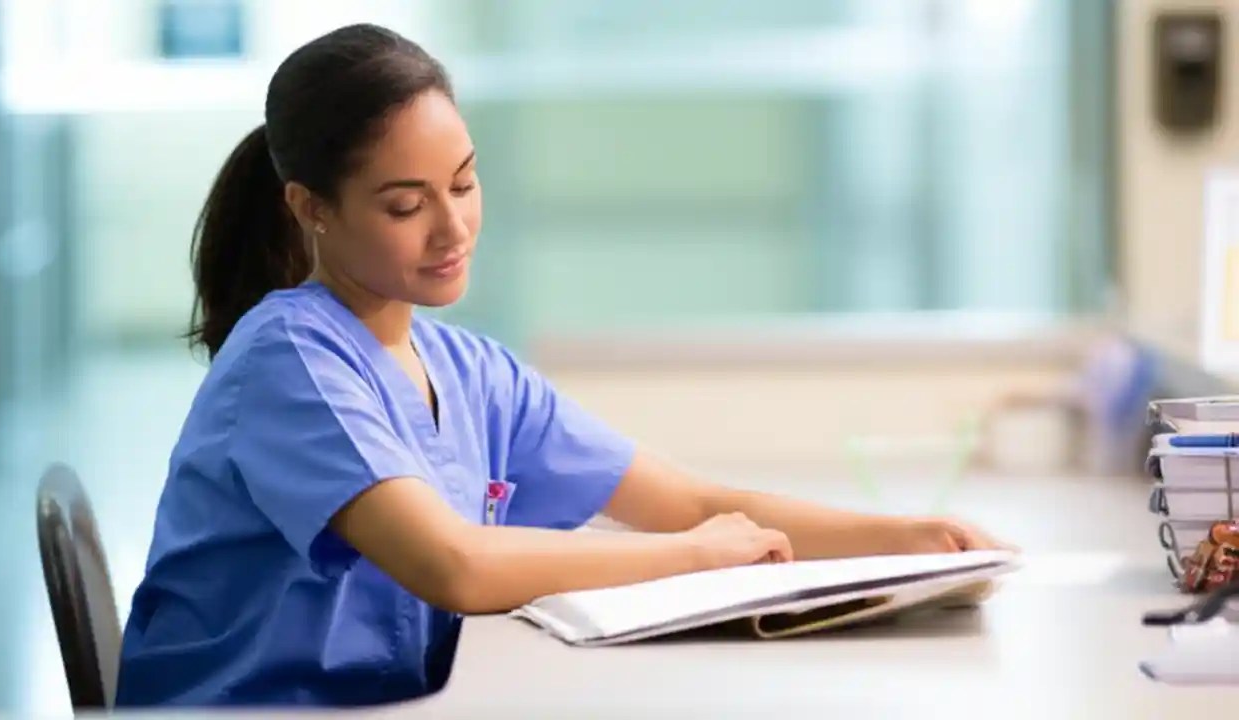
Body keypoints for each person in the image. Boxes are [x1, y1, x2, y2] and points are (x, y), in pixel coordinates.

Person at [116, 23, 1009, 707]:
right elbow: (455, 565)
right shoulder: (290, 363)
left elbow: (689, 503)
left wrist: (906, 541)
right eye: (404, 204)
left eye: (463, 184)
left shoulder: (467, 371)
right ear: (311, 207)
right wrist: (697, 559)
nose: (453, 227)